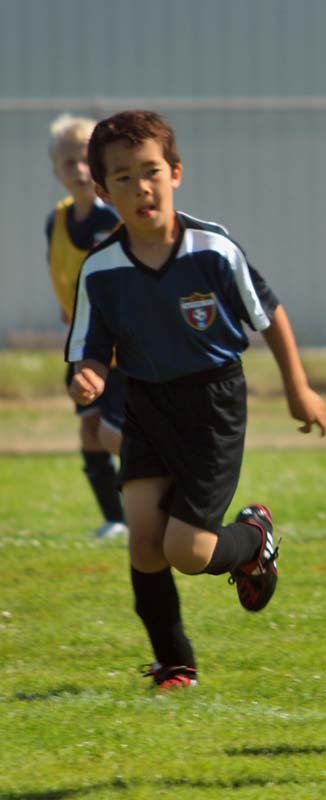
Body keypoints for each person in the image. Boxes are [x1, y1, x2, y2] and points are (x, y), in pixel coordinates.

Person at [66, 110, 326, 690]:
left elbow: (269, 314)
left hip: (212, 406)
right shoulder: (102, 270)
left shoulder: (213, 249)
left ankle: (252, 539)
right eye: (123, 177)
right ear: (104, 190)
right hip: (145, 406)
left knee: (185, 550)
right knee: (143, 539)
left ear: (176, 173)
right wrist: (87, 375)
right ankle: (174, 662)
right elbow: (89, 347)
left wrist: (298, 386)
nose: (141, 187)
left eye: (151, 171)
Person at [45, 114, 127, 539]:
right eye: (68, 162)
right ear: (55, 169)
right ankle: (117, 519)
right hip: (80, 345)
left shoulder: (114, 218)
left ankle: (167, 484)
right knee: (90, 431)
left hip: (118, 347)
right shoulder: (56, 221)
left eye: (85, 160)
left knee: (113, 434)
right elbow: (61, 271)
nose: (78, 170)